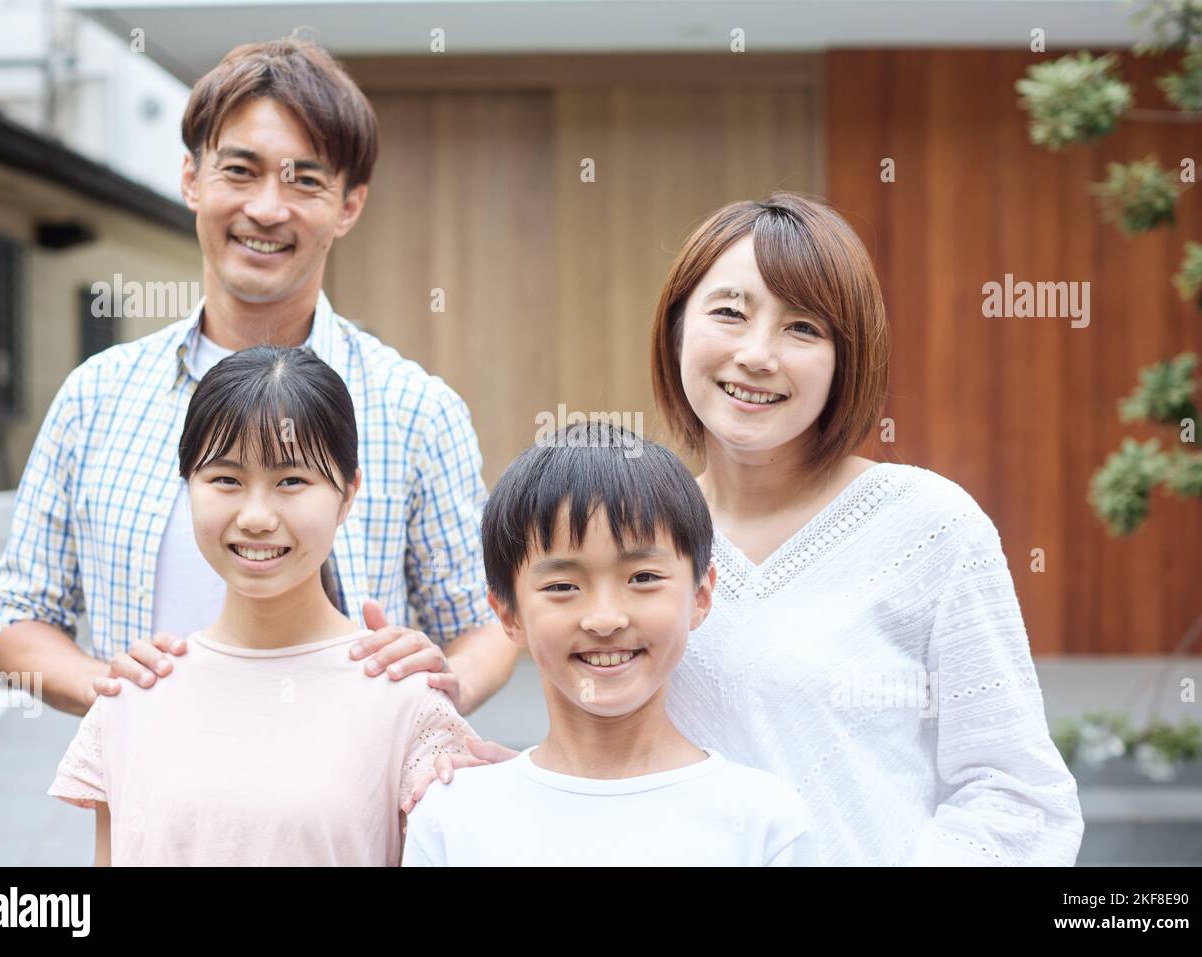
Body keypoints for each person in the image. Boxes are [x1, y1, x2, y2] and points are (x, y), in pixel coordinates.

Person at [404, 193, 1085, 866]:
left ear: (847, 357)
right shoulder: (645, 538)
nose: (758, 354)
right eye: (729, 313)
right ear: (677, 329)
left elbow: (1018, 796)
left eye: (803, 328)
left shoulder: (929, 526)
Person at [0, 35, 516, 720]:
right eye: (240, 170)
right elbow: (18, 617)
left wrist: (448, 680)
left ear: (349, 205)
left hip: (353, 819)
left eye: (305, 179)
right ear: (191, 179)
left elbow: (486, 620)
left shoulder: (416, 408)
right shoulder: (96, 396)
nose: (267, 208)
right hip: (149, 815)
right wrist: (107, 689)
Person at [47, 346, 475, 866]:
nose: (255, 516)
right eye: (225, 479)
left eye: (291, 481)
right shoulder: (132, 698)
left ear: (347, 494)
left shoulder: (407, 702)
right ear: (187, 487)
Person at [401, 424, 816, 866]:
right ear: (508, 614)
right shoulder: (455, 816)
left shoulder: (764, 820)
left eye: (643, 578)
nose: (604, 620)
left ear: (700, 596)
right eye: (562, 585)